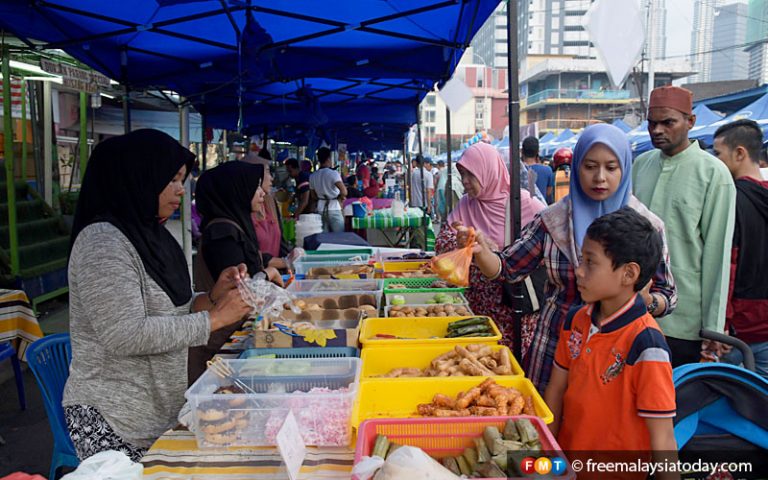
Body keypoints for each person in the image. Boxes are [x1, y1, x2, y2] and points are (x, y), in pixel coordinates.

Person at [63, 129, 251, 461]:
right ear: (139, 177)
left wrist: (215, 296)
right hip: (112, 419)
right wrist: (215, 318)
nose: (181, 189)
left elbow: (177, 308)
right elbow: (125, 334)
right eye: (172, 179)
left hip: (159, 405)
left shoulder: (156, 237)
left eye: (182, 179)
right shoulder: (102, 244)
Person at [461, 123, 677, 391]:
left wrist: (648, 301)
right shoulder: (553, 221)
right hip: (554, 346)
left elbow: (668, 295)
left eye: (611, 168)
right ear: (576, 168)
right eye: (590, 166)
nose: (600, 177)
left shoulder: (646, 226)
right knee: (551, 425)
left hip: (618, 356)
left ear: (624, 168)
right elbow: (508, 268)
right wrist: (482, 252)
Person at [544, 208, 677, 469]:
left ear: (629, 274)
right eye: (581, 260)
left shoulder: (646, 344)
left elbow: (663, 439)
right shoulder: (575, 320)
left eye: (590, 262)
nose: (579, 271)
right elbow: (556, 391)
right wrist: (548, 452)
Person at [633, 85, 736, 367]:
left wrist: (713, 328)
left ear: (690, 122)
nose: (657, 130)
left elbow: (717, 256)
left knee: (672, 404)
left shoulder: (713, 173)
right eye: (652, 123)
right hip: (633, 311)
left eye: (668, 122)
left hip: (683, 323)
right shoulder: (640, 165)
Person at [438, 143, 545, 350]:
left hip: (512, 303)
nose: (465, 182)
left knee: (508, 359)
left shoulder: (523, 204)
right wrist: (460, 242)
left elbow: (545, 246)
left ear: (488, 171)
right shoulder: (466, 204)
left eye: (471, 175)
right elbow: (442, 242)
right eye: (462, 174)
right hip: (475, 305)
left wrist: (492, 249)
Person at [192, 160, 284, 382]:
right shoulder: (222, 233)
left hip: (232, 329)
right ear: (235, 191)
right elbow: (241, 288)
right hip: (219, 340)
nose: (261, 193)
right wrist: (269, 273)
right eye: (254, 187)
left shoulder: (236, 225)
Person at [712, 119, 768, 378]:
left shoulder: (732, 198)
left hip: (739, 331)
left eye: (718, 154)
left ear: (739, 153)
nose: (715, 161)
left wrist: (720, 323)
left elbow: (728, 266)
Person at [309, 147, 347, 232]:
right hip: (334, 208)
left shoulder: (313, 176)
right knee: (339, 237)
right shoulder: (333, 174)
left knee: (324, 238)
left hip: (320, 209)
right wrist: (339, 198)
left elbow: (313, 196)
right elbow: (344, 191)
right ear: (329, 158)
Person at [523, 136, 554, 204]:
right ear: (538, 151)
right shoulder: (547, 170)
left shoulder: (517, 171)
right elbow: (548, 193)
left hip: (522, 211)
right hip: (541, 210)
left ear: (522, 151)